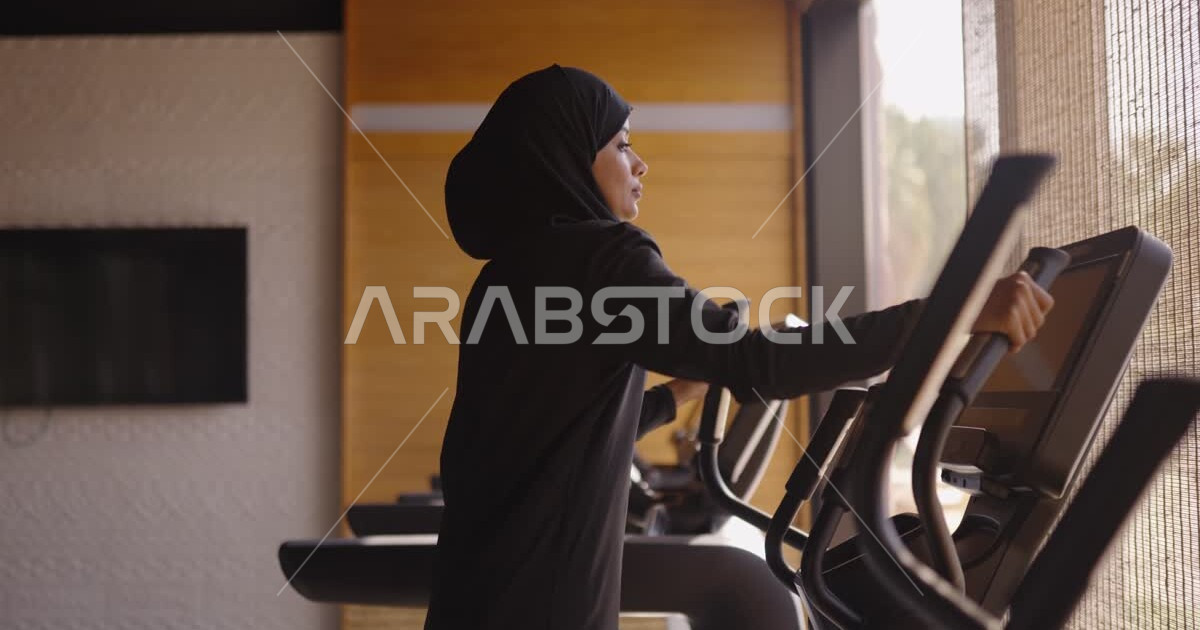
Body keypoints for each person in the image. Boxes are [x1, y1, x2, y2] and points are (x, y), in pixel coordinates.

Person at [425, 64, 1053, 630]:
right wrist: (959, 312)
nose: (640, 165)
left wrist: (678, 395)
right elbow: (761, 364)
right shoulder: (601, 257)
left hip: (474, 593)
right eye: (620, 145)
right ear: (564, 159)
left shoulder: (507, 275)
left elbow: (553, 430)